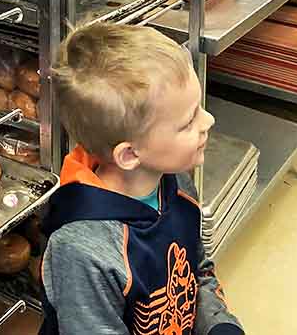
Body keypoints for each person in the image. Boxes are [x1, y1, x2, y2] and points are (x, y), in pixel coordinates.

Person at [40, 22, 244, 335]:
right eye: (188, 122)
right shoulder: (82, 250)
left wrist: (219, 324)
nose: (209, 120)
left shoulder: (176, 185)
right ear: (130, 154)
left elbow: (196, 271)